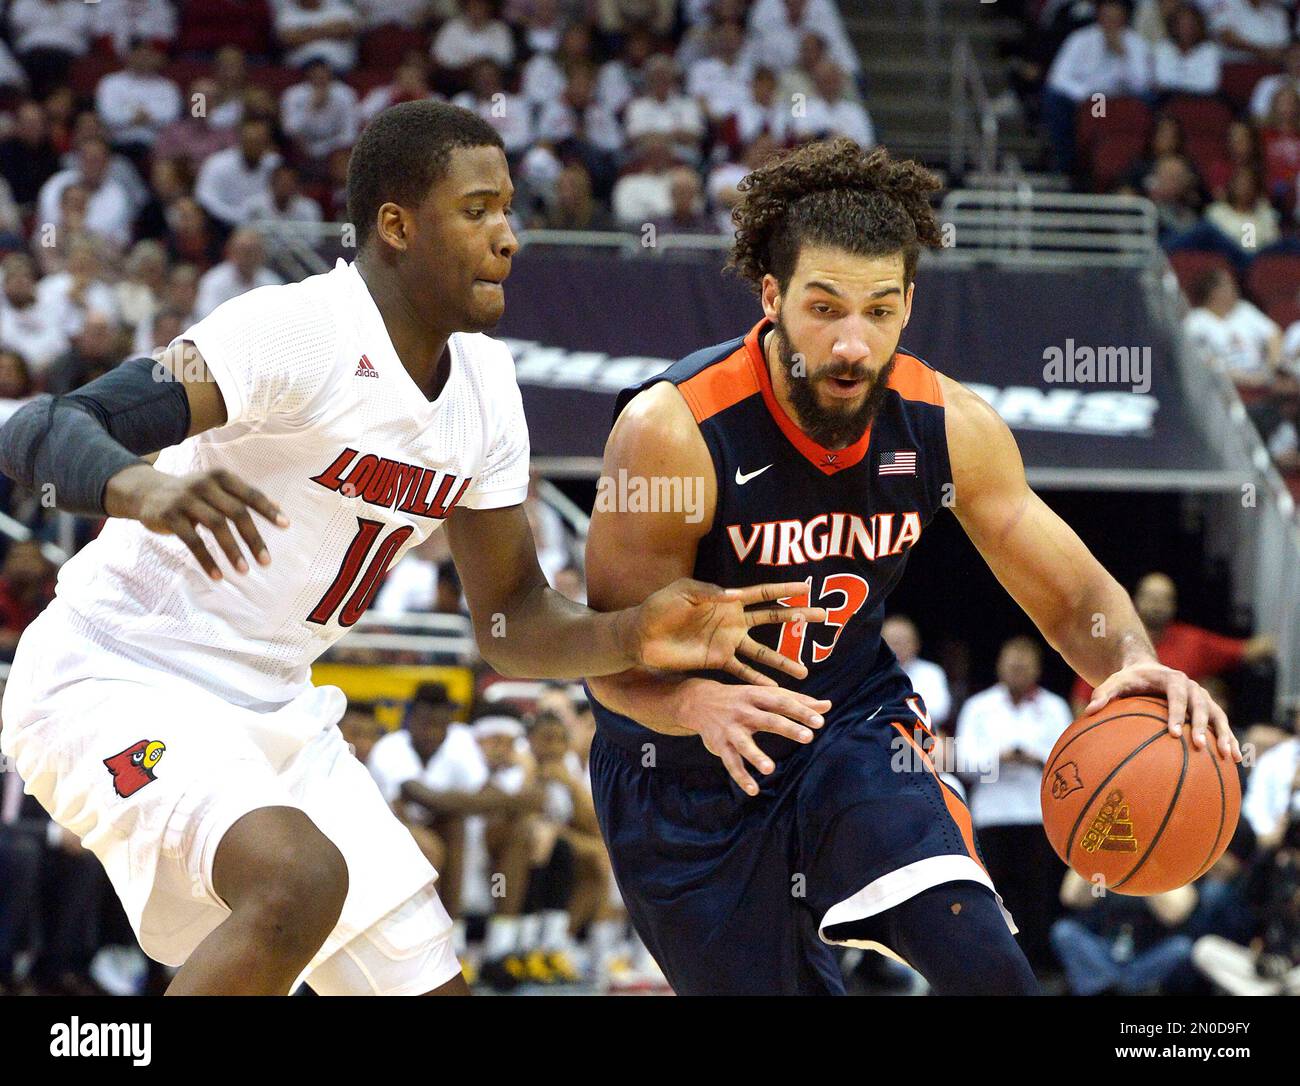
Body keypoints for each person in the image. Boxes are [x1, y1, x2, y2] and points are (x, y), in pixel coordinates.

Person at [0, 101, 822, 997]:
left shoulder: (486, 390)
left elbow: (511, 622)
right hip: (115, 675)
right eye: (478, 211)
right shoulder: (297, 331)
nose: (508, 237)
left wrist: (634, 633)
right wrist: (143, 486)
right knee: (297, 883)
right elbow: (45, 427)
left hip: (277, 706)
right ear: (395, 225)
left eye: (510, 209)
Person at [582, 138, 1238, 996]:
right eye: (824, 308)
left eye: (880, 309)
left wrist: (1135, 665)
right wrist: (691, 702)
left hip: (845, 730)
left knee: (990, 974)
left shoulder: (945, 422)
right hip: (681, 778)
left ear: (908, 306)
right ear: (772, 297)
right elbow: (604, 658)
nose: (853, 343)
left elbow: (1072, 594)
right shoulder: (674, 432)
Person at [954, 637, 1072, 973]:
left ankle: (1036, 969)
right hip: (992, 816)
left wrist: (1035, 759)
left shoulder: (1054, 707)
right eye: (1012, 664)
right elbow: (963, 763)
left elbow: (1069, 765)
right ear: (999, 666)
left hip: (1037, 817)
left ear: (1037, 668)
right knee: (993, 898)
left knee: (1037, 897)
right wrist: (1000, 758)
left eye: (1024, 665)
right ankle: (992, 968)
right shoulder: (979, 707)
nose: (1018, 670)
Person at [1070, 571, 1275, 711]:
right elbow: (1081, 700)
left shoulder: (1194, 642)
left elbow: (1250, 650)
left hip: (1177, 738)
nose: (1157, 605)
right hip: (1121, 733)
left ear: (1174, 604)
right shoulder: (1111, 643)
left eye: (1164, 599)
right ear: (1135, 600)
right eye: (1151, 597)